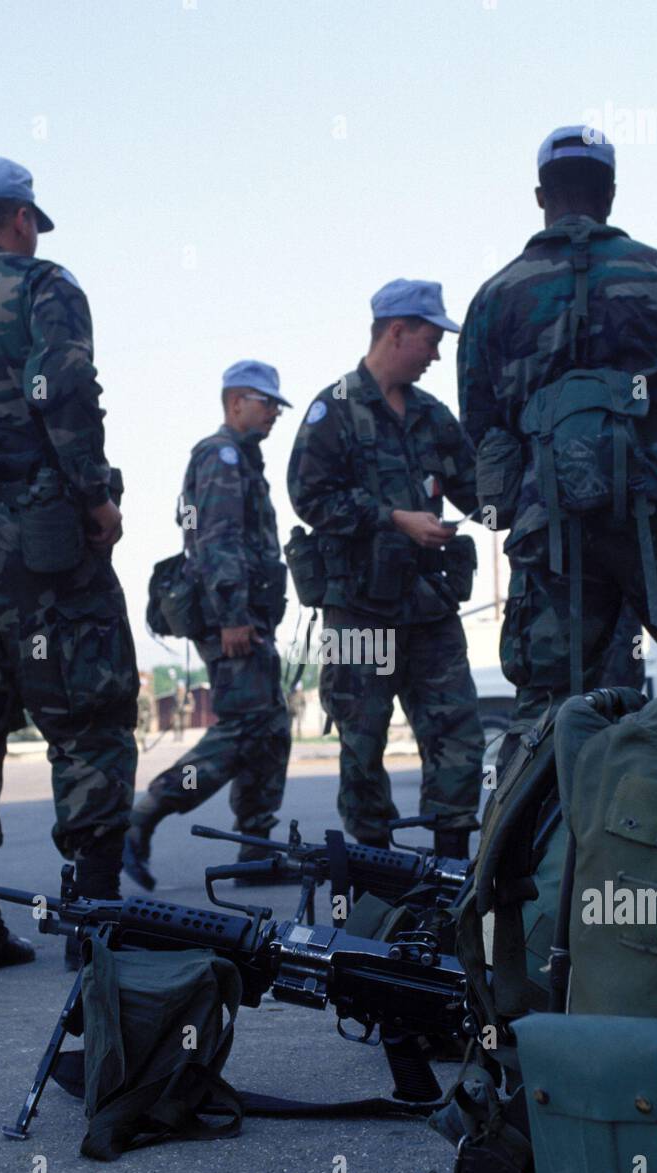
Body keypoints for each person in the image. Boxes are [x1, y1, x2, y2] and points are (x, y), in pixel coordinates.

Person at [458, 126, 657, 766]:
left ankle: (529, 855)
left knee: (546, 706)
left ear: (541, 195)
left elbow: (481, 423)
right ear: (611, 194)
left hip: (551, 534)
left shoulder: (496, 295)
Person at [0, 158, 138, 974]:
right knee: (91, 717)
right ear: (20, 219)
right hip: (37, 536)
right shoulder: (42, 284)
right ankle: (95, 923)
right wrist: (95, 495)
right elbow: (65, 389)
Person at [288, 280, 484, 859]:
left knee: (457, 737)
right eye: (429, 339)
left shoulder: (433, 416)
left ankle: (451, 876)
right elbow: (309, 497)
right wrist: (394, 518)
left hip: (429, 610)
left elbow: (478, 492)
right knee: (362, 742)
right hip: (358, 612)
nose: (436, 354)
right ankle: (374, 875)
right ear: (395, 331)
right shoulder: (335, 407)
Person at [124, 361, 292, 889]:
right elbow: (216, 540)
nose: (274, 415)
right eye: (267, 404)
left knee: (269, 731)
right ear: (237, 400)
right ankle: (146, 812)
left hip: (247, 617)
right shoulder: (220, 457)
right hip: (233, 619)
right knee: (244, 728)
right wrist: (233, 616)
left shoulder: (241, 459)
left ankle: (255, 849)